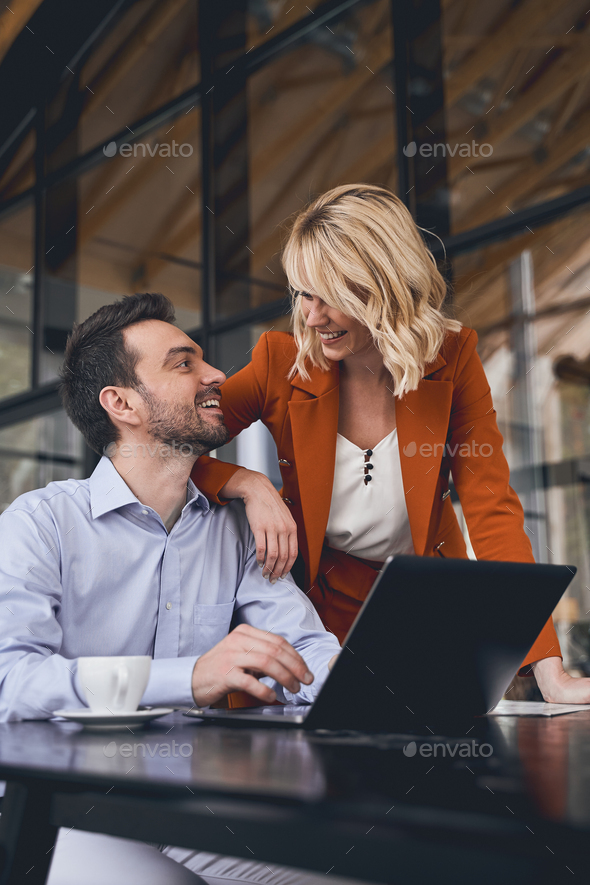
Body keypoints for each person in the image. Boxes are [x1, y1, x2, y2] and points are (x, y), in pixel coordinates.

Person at [192, 182, 590, 705]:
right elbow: (171, 447)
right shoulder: (278, 363)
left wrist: (549, 670)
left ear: (382, 285)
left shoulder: (453, 359)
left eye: (329, 295)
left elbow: (492, 510)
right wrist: (244, 482)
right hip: (316, 606)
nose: (311, 317)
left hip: (430, 605)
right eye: (303, 294)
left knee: (437, 768)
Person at [0, 293, 345, 885]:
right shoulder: (40, 523)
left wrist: (380, 689)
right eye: (184, 364)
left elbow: (307, 649)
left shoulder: (235, 531)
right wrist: (188, 679)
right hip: (61, 803)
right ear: (122, 403)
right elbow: (11, 681)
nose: (216, 376)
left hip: (194, 798)